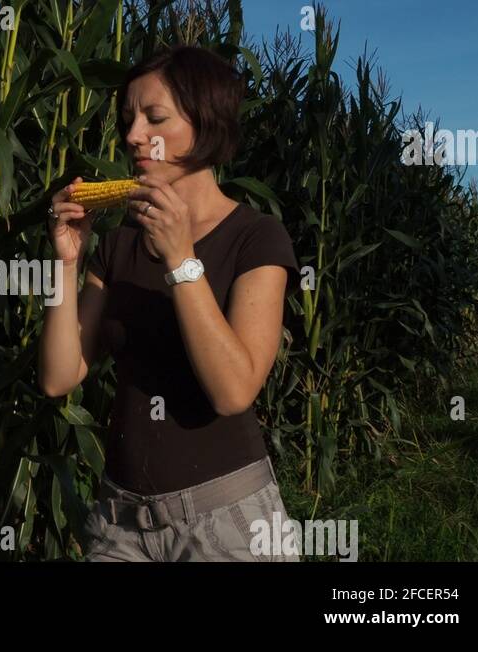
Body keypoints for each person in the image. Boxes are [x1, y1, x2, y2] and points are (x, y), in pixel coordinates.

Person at [38, 45, 302, 562]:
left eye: (154, 118)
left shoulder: (256, 239)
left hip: (226, 526)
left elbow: (233, 390)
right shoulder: (117, 245)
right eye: (128, 119)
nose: (133, 135)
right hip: (120, 526)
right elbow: (57, 377)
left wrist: (182, 258)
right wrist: (66, 262)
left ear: (205, 126)